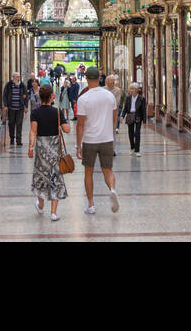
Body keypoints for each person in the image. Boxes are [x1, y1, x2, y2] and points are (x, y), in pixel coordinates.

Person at [74, 66, 120, 215]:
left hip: (90, 140)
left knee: (89, 172)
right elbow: (115, 119)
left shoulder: (83, 99)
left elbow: (80, 125)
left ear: (86, 79)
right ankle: (112, 189)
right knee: (108, 170)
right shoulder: (109, 96)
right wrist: (110, 134)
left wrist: (78, 146)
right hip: (106, 139)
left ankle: (91, 205)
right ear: (100, 79)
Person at [28, 84, 69, 221]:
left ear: (40, 97)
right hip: (54, 152)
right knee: (55, 179)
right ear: (52, 96)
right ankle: (53, 213)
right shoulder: (57, 112)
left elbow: (33, 131)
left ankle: (40, 206)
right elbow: (67, 130)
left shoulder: (35, 113)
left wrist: (30, 147)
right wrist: (65, 123)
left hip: (41, 150)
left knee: (40, 177)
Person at [2, 72, 27, 146]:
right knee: (11, 123)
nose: (18, 78)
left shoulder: (22, 85)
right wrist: (5, 105)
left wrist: (26, 106)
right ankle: (12, 139)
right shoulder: (9, 85)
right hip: (11, 108)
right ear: (13, 77)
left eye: (19, 77)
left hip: (20, 108)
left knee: (19, 124)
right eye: (17, 77)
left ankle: (18, 140)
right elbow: (5, 95)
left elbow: (26, 95)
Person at [123, 82, 147, 156]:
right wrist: (122, 116)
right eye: (131, 88)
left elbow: (143, 110)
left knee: (137, 134)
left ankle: (137, 150)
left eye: (133, 88)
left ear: (137, 90)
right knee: (130, 133)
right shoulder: (128, 97)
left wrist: (144, 120)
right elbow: (126, 108)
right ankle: (132, 148)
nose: (131, 90)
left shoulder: (141, 98)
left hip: (138, 116)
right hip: (130, 116)